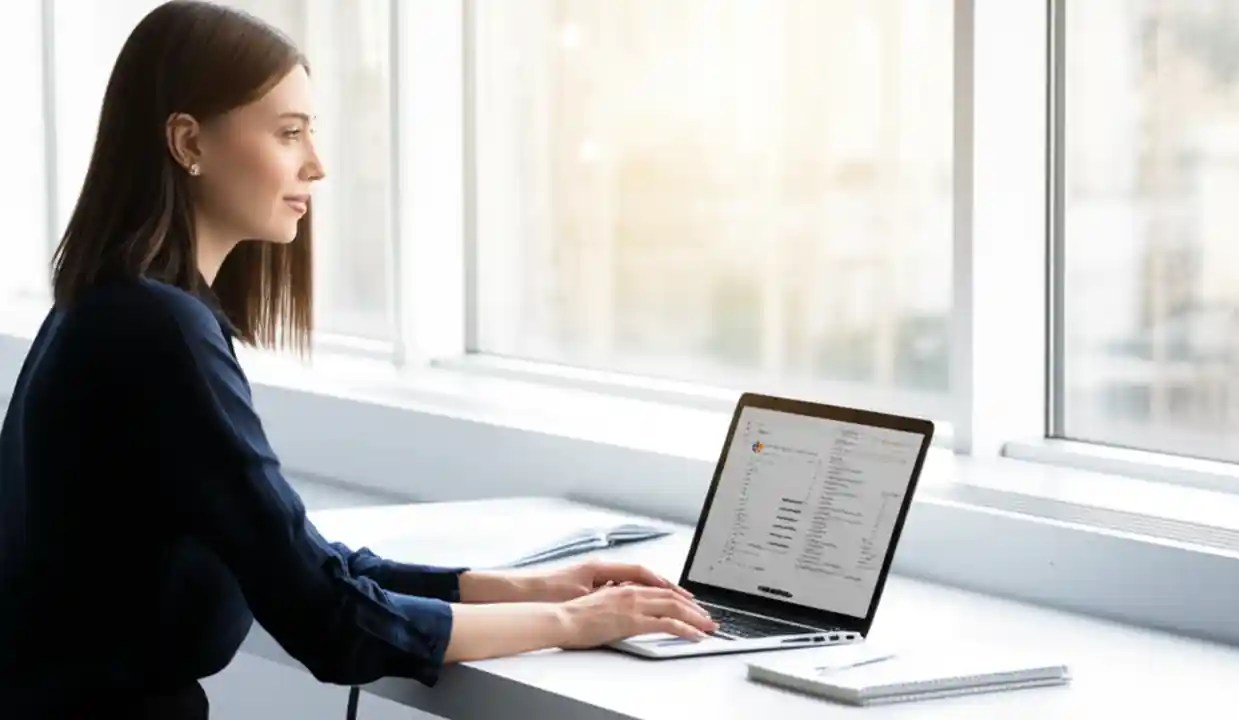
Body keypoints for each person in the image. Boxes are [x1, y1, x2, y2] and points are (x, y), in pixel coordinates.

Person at [0, 2, 717, 716]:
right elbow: (328, 620)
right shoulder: (159, 328)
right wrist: (575, 625)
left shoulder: (102, 306)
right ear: (189, 141)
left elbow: (302, 560)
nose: (317, 163)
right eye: (288, 133)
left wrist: (534, 588)